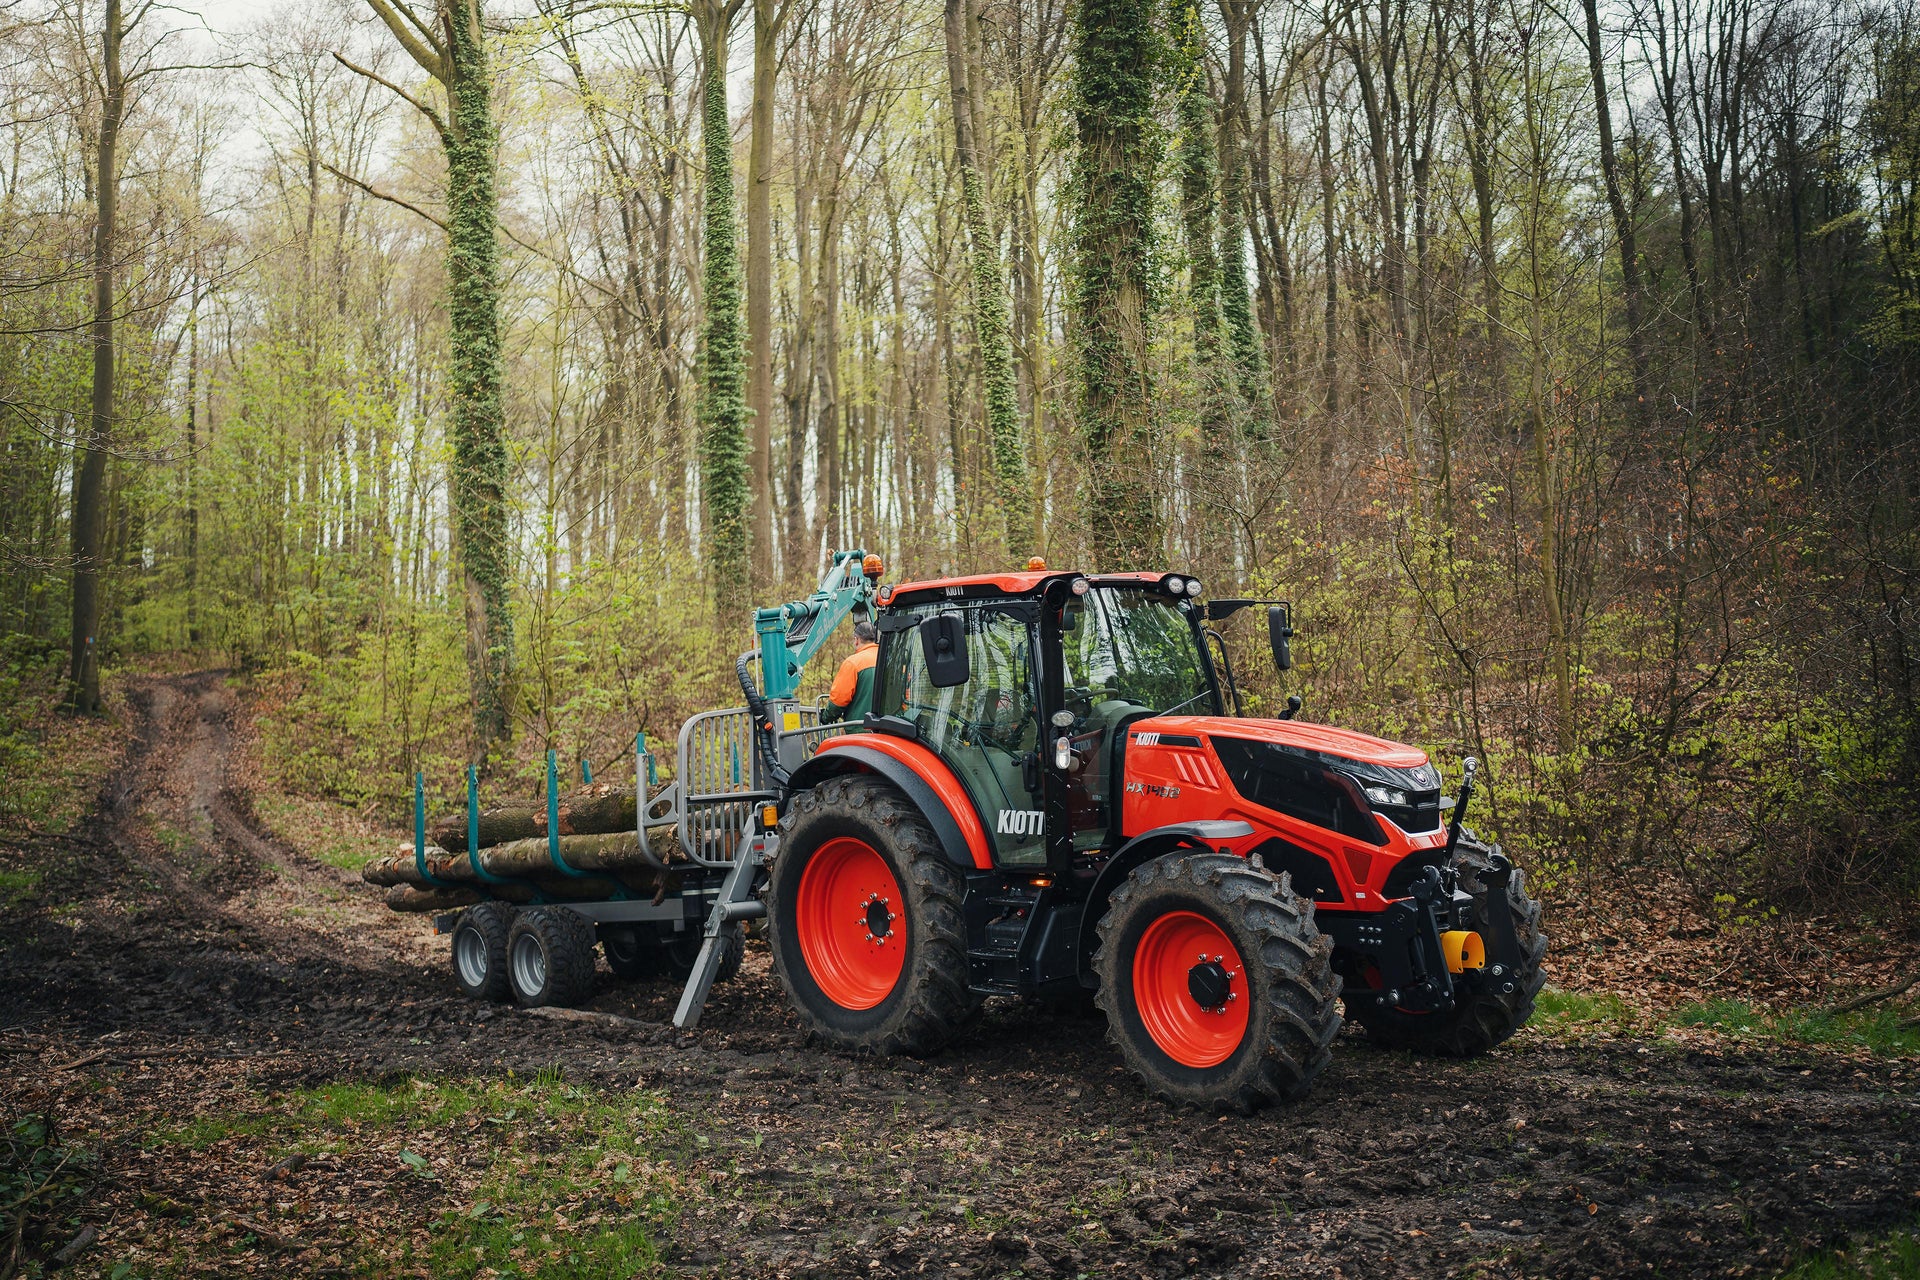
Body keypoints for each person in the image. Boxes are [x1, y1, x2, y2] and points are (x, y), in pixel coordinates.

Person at [820, 619, 879, 724]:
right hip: (891, 729)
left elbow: (839, 700)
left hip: (861, 728)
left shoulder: (853, 663)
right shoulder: (891, 659)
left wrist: (825, 717)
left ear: (856, 640)